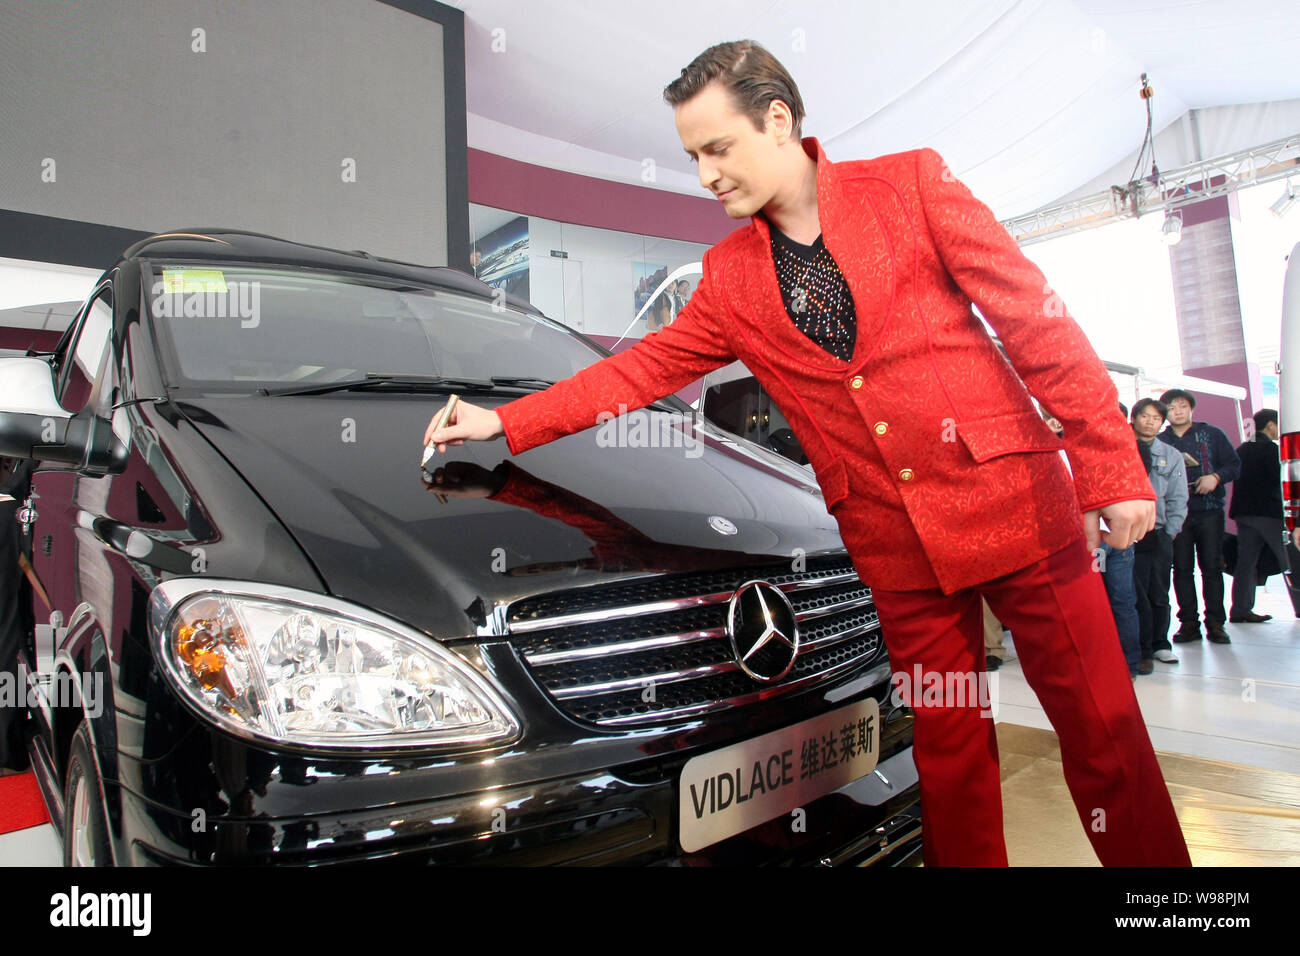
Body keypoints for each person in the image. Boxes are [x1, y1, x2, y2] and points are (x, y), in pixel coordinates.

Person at [424, 40, 1189, 867]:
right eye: (693, 156)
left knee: (1106, 736)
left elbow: (1036, 321)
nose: (707, 172)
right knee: (950, 756)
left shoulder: (912, 184)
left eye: (718, 147)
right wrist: (506, 423)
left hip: (1018, 507)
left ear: (778, 120)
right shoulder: (725, 278)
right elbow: (639, 370)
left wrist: (1110, 465)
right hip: (898, 552)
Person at [1158, 388, 1241, 644]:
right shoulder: (1161, 441)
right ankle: (1189, 624)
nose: (1177, 411)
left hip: (1209, 511)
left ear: (1191, 407)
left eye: (1182, 406)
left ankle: (1216, 623)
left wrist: (1215, 478)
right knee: (1181, 569)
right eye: (1171, 408)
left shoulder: (1212, 434)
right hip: (1176, 515)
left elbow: (1234, 465)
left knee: (1212, 568)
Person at [1130, 398, 1188, 673]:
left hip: (1159, 531)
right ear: (1134, 418)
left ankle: (1159, 643)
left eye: (1156, 418)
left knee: (1159, 591)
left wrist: (1172, 531)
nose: (1150, 421)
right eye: (1145, 416)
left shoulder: (1171, 454)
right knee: (1133, 593)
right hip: (1128, 532)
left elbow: (1178, 496)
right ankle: (1139, 648)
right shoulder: (1123, 449)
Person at [1229, 408, 1289, 622]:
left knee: (1246, 563)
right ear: (1271, 425)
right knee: (1289, 559)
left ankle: (1240, 610)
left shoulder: (1243, 448)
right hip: (1267, 513)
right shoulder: (1271, 450)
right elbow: (1277, 482)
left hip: (1243, 513)